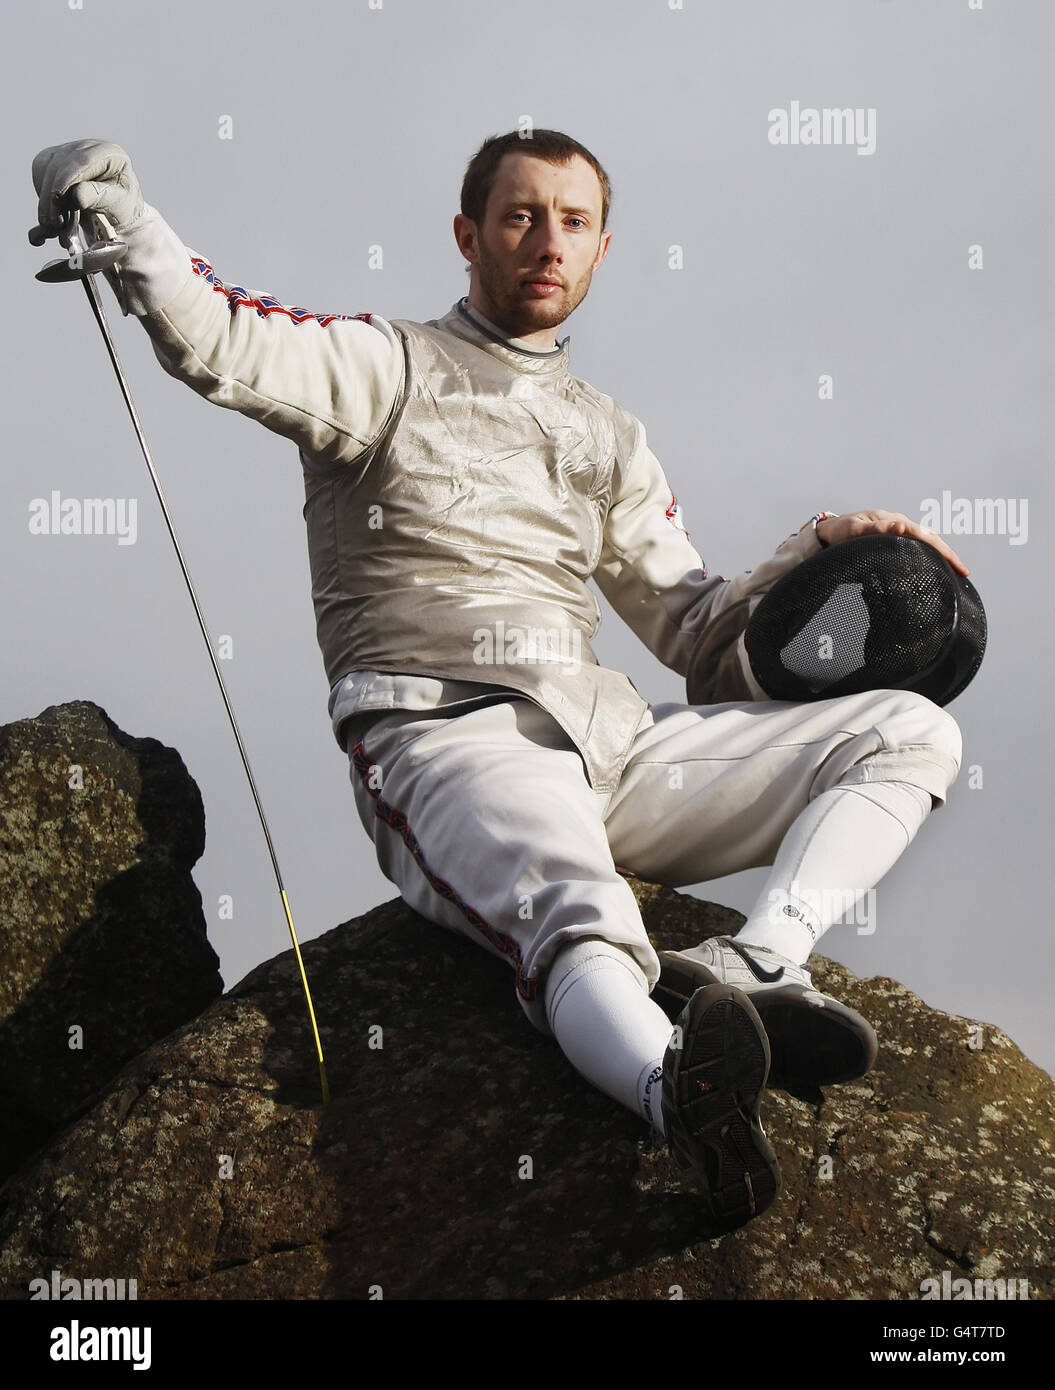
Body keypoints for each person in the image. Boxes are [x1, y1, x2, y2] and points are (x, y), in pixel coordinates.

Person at [30, 131, 965, 1235]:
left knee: (906, 733)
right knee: (578, 912)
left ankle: (752, 961)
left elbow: (699, 636)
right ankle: (677, 1092)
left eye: (571, 222)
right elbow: (222, 336)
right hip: (445, 736)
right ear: (468, 234)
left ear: (602, 249)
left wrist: (818, 552)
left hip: (608, 745)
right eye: (520, 216)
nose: (545, 241)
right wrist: (125, 221)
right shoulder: (385, 363)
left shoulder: (607, 435)